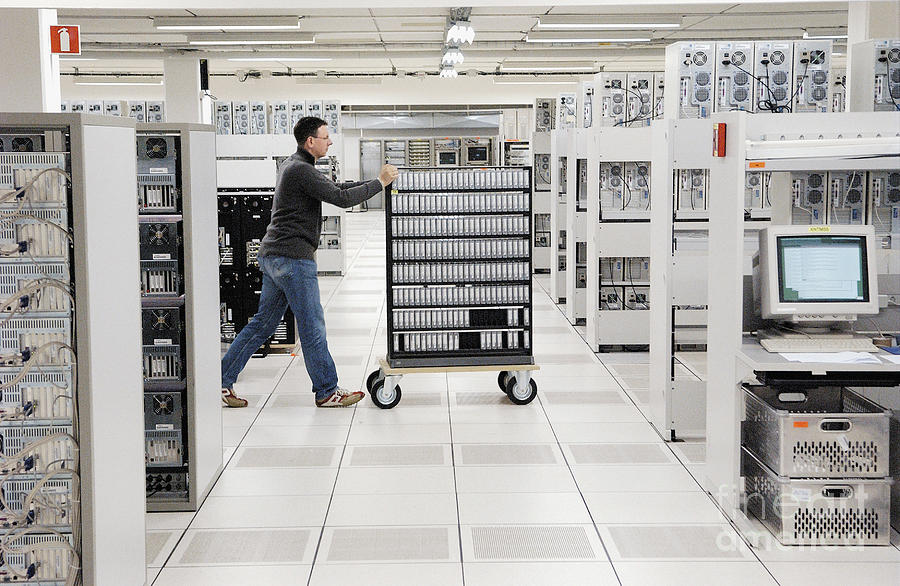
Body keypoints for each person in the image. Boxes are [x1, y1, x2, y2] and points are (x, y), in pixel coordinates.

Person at [221, 116, 399, 408]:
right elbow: (342, 198)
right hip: (293, 259)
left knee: (262, 325)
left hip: (273, 256)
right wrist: (380, 182)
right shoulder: (301, 170)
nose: (330, 141)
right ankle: (327, 390)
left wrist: (374, 182)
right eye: (326, 137)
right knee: (312, 326)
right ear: (310, 141)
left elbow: (338, 186)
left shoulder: (295, 167)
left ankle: (222, 381)